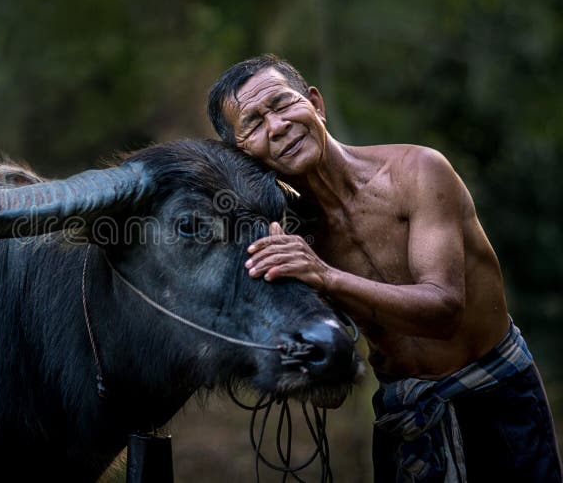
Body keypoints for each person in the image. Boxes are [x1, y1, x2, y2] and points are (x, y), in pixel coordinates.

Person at [207, 54, 562, 482]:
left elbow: (444, 310)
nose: (278, 126)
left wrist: (325, 277)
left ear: (315, 104)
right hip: (403, 417)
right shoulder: (291, 238)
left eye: (282, 104)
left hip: (498, 401)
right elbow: (330, 396)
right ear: (241, 153)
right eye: (255, 123)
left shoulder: (417, 172)